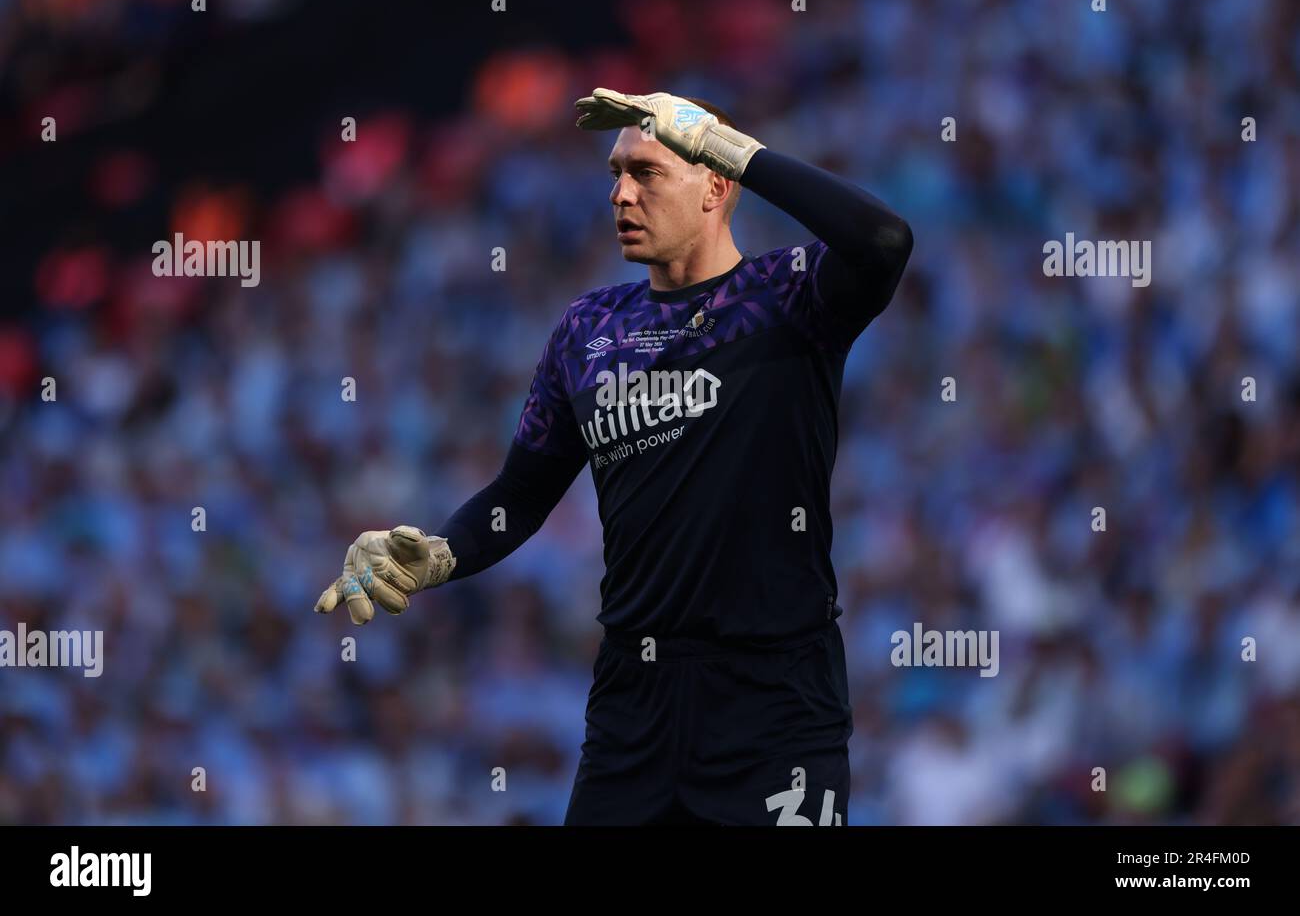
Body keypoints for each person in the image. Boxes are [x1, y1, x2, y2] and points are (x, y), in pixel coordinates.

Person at [315, 89, 914, 825]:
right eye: (614, 173)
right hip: (635, 705)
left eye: (647, 172)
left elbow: (884, 240)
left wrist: (732, 144)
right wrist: (441, 552)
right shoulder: (588, 329)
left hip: (774, 704)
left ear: (714, 185)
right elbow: (521, 493)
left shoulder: (789, 297)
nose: (620, 193)